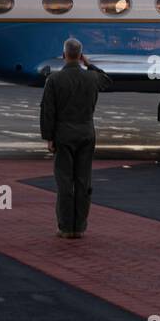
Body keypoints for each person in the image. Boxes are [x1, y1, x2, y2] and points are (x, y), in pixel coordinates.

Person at [40, 38, 111, 238]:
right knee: (83, 181)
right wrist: (89, 64)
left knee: (64, 181)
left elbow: (48, 111)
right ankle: (79, 226)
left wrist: (49, 137)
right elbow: (106, 80)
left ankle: (65, 227)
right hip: (86, 133)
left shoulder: (54, 80)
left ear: (64, 55)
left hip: (63, 134)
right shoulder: (91, 78)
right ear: (80, 56)